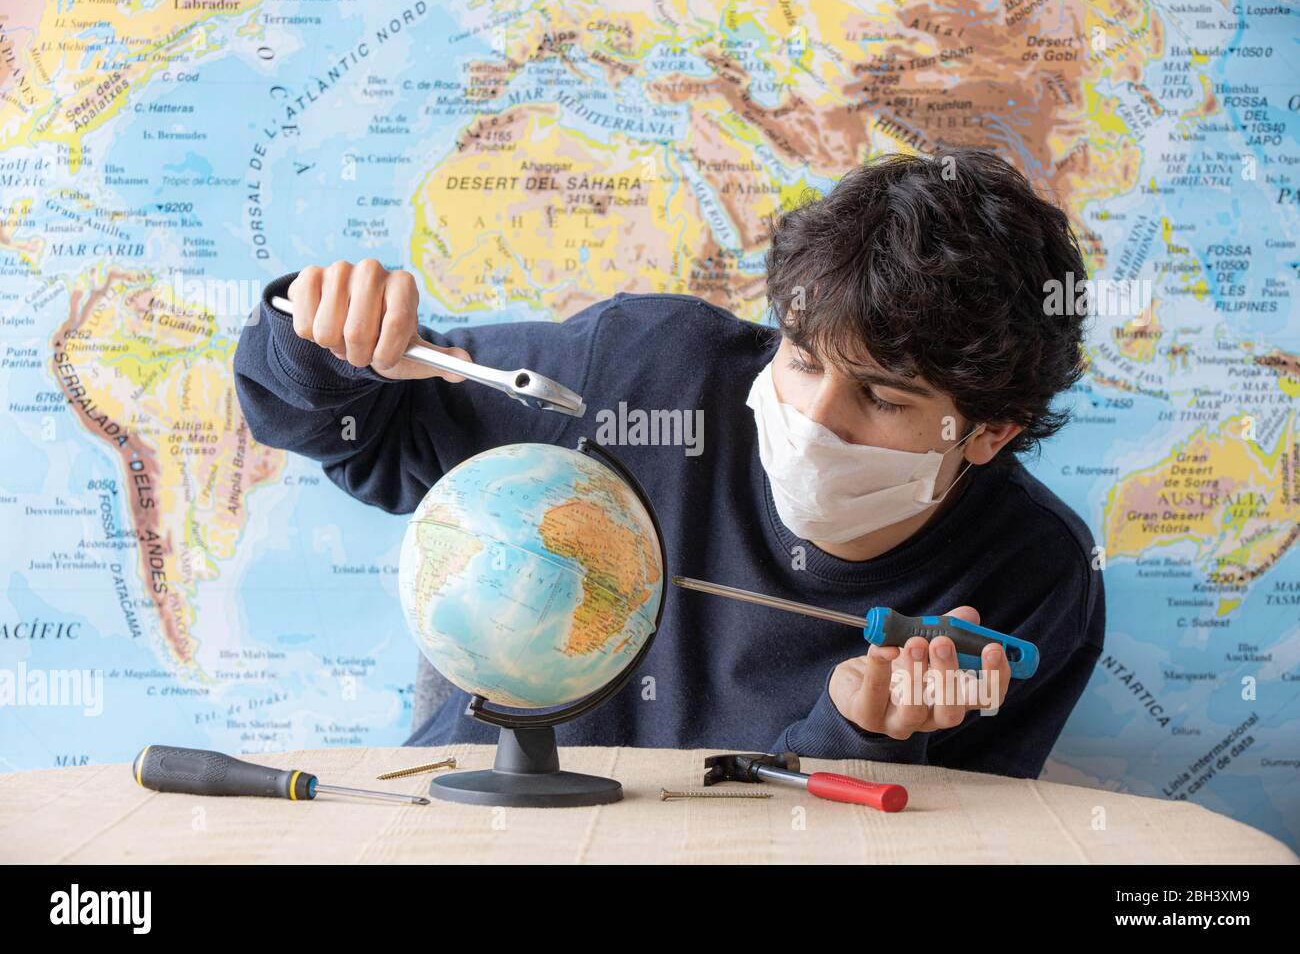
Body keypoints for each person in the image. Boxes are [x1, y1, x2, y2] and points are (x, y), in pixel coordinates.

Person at [234, 146, 1104, 778]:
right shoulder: (647, 370)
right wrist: (321, 336)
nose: (811, 420)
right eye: (801, 359)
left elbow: (934, 846)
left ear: (991, 431)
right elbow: (357, 426)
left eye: (880, 398)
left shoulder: (1034, 578)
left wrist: (861, 737)